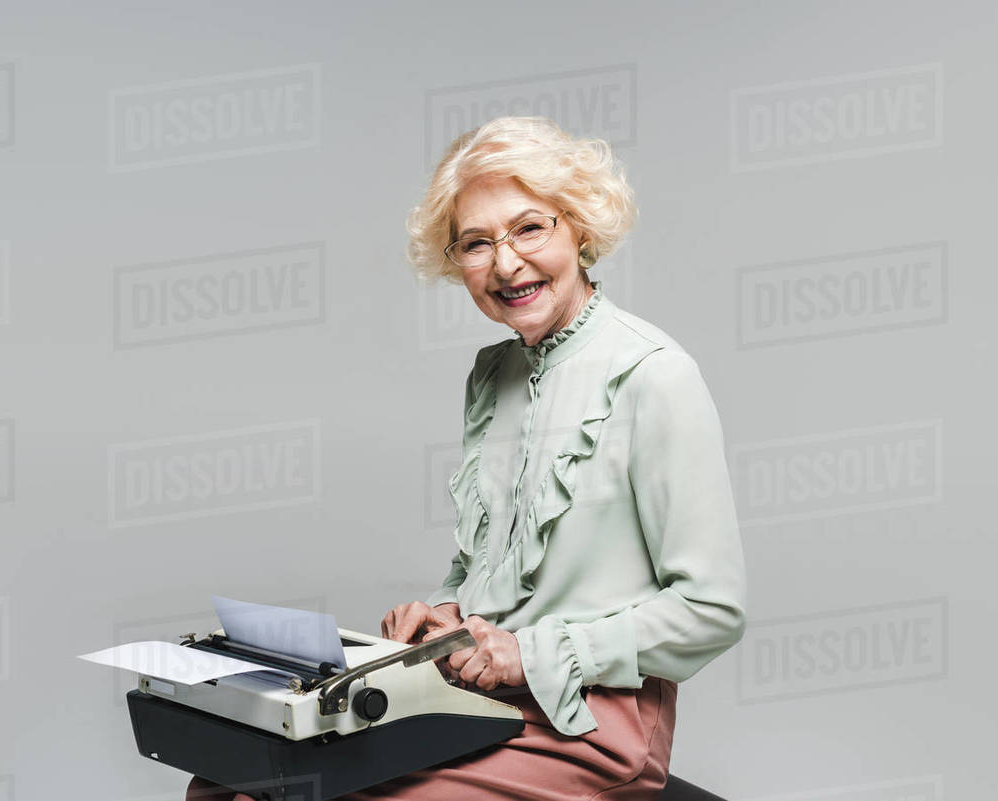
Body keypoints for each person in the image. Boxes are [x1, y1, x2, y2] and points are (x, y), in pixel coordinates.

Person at [186, 116, 747, 801]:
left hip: (591, 725)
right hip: (477, 699)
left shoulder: (654, 376)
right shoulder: (491, 374)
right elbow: (496, 565)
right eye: (477, 243)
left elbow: (711, 608)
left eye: (529, 228)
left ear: (578, 226)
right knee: (228, 779)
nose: (506, 264)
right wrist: (447, 621)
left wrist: (531, 653)